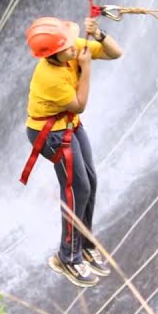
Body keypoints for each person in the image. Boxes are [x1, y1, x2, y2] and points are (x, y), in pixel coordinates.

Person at [20, 15, 122, 288]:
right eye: (68, 48)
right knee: (77, 190)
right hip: (50, 134)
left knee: (90, 181)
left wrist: (99, 34)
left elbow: (116, 53)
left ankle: (86, 243)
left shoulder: (69, 48)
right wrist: (86, 67)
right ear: (54, 54)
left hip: (68, 125)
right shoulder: (49, 76)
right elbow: (79, 104)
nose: (75, 48)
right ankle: (67, 256)